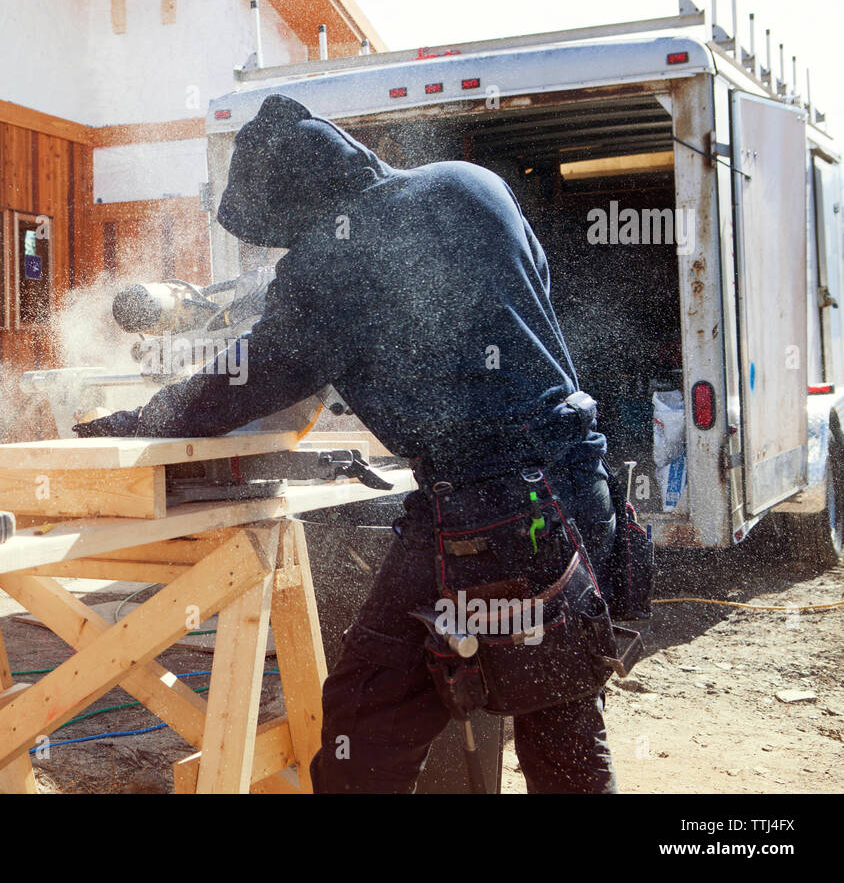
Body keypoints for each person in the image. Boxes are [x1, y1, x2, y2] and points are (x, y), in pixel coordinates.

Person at [74, 93, 619, 793]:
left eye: (283, 230)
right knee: (564, 732)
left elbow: (241, 383)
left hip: (488, 518)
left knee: (365, 727)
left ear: (299, 201)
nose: (286, 247)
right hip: (579, 484)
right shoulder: (470, 184)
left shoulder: (335, 261)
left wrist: (135, 424)